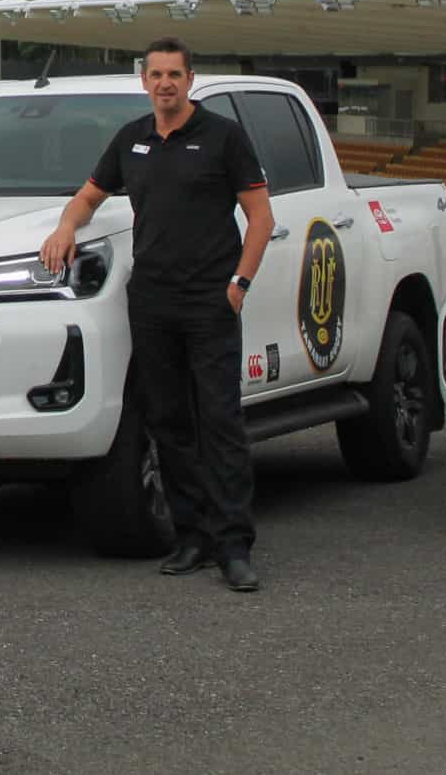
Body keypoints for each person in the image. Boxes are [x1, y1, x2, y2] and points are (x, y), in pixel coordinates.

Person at [40, 37, 274, 592]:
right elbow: (88, 197)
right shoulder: (132, 140)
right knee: (168, 421)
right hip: (152, 299)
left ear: (190, 79)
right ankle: (191, 535)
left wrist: (239, 283)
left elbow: (260, 217)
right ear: (144, 81)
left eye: (175, 74)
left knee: (219, 421)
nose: (165, 83)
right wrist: (66, 226)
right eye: (156, 75)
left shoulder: (224, 137)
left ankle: (233, 544)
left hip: (210, 299)